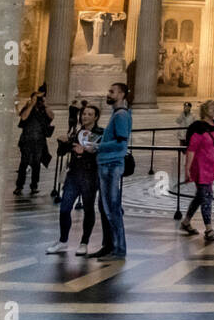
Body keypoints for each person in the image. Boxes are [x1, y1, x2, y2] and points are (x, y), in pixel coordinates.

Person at [47, 103, 102, 256]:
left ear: (96, 117)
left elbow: (100, 152)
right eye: (84, 114)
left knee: (88, 209)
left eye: (90, 114)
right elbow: (61, 153)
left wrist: (86, 151)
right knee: (65, 208)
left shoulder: (100, 133)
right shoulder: (76, 132)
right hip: (74, 174)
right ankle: (63, 240)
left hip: (90, 175)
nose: (85, 116)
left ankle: (84, 242)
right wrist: (62, 142)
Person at [180, 100, 214, 242]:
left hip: (211, 165)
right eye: (211, 107)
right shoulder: (198, 127)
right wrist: (187, 168)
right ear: (205, 110)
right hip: (200, 166)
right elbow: (191, 149)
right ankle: (209, 229)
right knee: (207, 195)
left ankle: (186, 221)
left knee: (201, 196)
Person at [94, 82, 131, 262]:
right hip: (107, 163)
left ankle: (119, 249)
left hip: (111, 164)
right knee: (107, 207)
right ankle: (112, 247)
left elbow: (122, 142)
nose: (108, 94)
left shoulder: (121, 115)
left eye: (112, 92)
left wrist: (97, 146)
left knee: (112, 208)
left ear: (122, 94)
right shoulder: (117, 114)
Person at [14, 85, 54, 196]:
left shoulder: (43, 110)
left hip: (39, 142)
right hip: (26, 140)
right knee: (24, 163)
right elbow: (23, 117)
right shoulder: (28, 108)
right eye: (37, 98)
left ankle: (34, 186)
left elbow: (52, 116)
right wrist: (31, 104)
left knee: (36, 164)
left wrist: (45, 105)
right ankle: (19, 186)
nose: (39, 101)